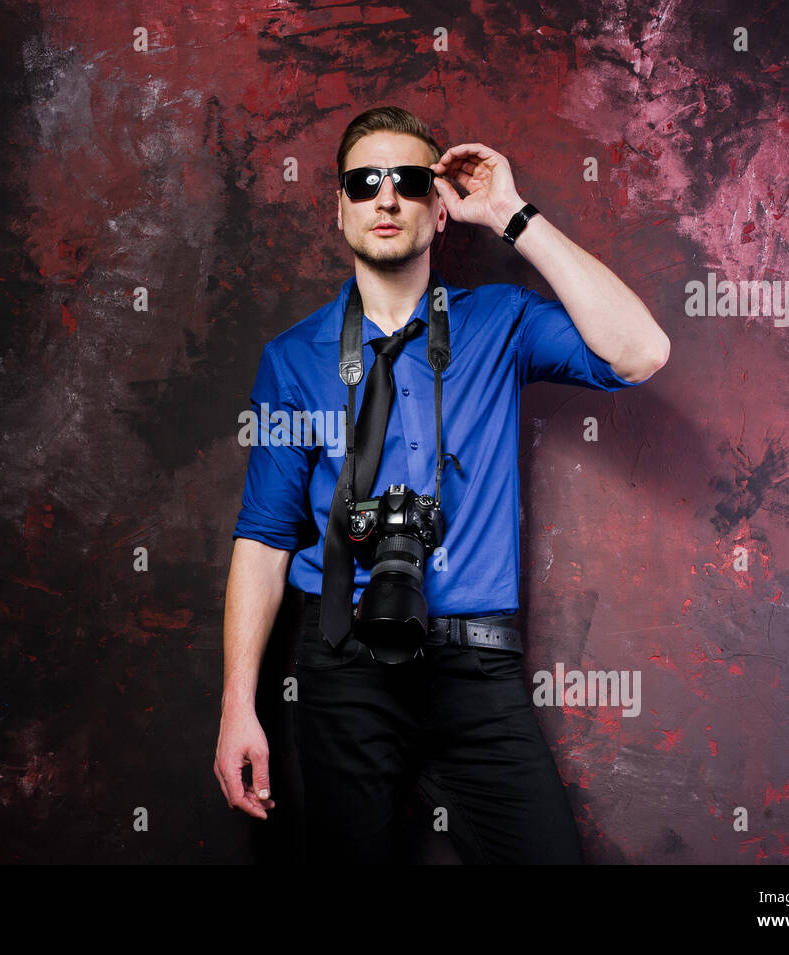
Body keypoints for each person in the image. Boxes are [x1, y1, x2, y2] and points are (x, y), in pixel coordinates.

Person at [213, 105, 669, 863]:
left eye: (409, 180)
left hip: (476, 666)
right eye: (363, 182)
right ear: (339, 207)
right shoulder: (292, 359)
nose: (385, 198)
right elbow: (263, 536)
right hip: (344, 668)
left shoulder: (500, 322)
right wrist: (237, 705)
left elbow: (641, 351)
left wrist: (511, 214)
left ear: (440, 206)